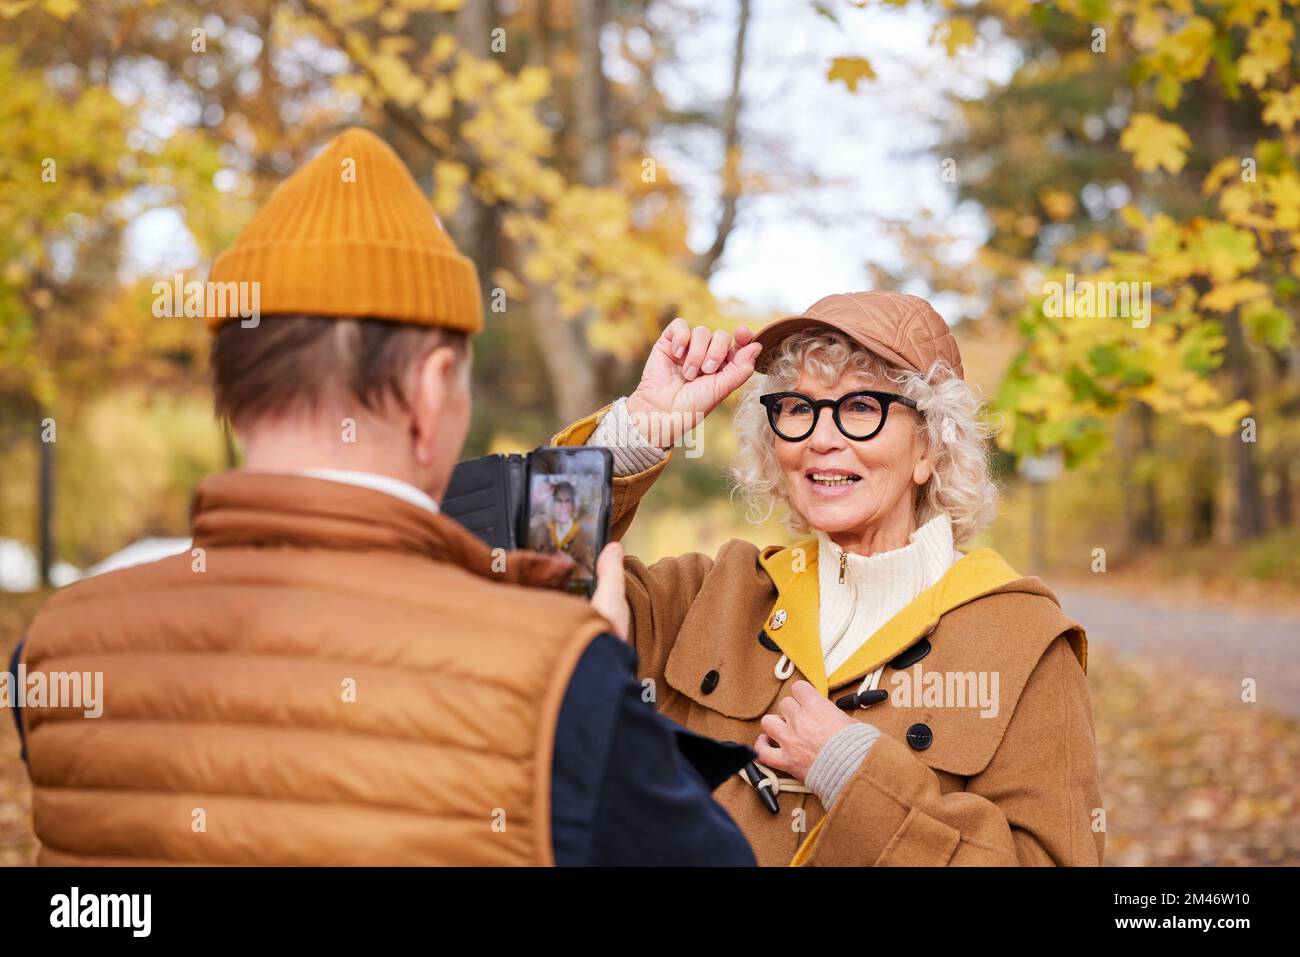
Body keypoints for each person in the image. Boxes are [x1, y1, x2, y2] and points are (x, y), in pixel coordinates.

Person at [10, 127, 755, 866]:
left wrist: (631, 435)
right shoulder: (551, 680)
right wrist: (603, 692)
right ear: (430, 391)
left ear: (235, 397)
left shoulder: (61, 646)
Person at [549, 291, 1105, 866]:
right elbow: (515, 588)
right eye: (797, 407)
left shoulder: (1024, 641)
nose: (821, 437)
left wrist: (854, 771)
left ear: (929, 449)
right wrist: (635, 432)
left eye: (862, 406)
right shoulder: (708, 595)